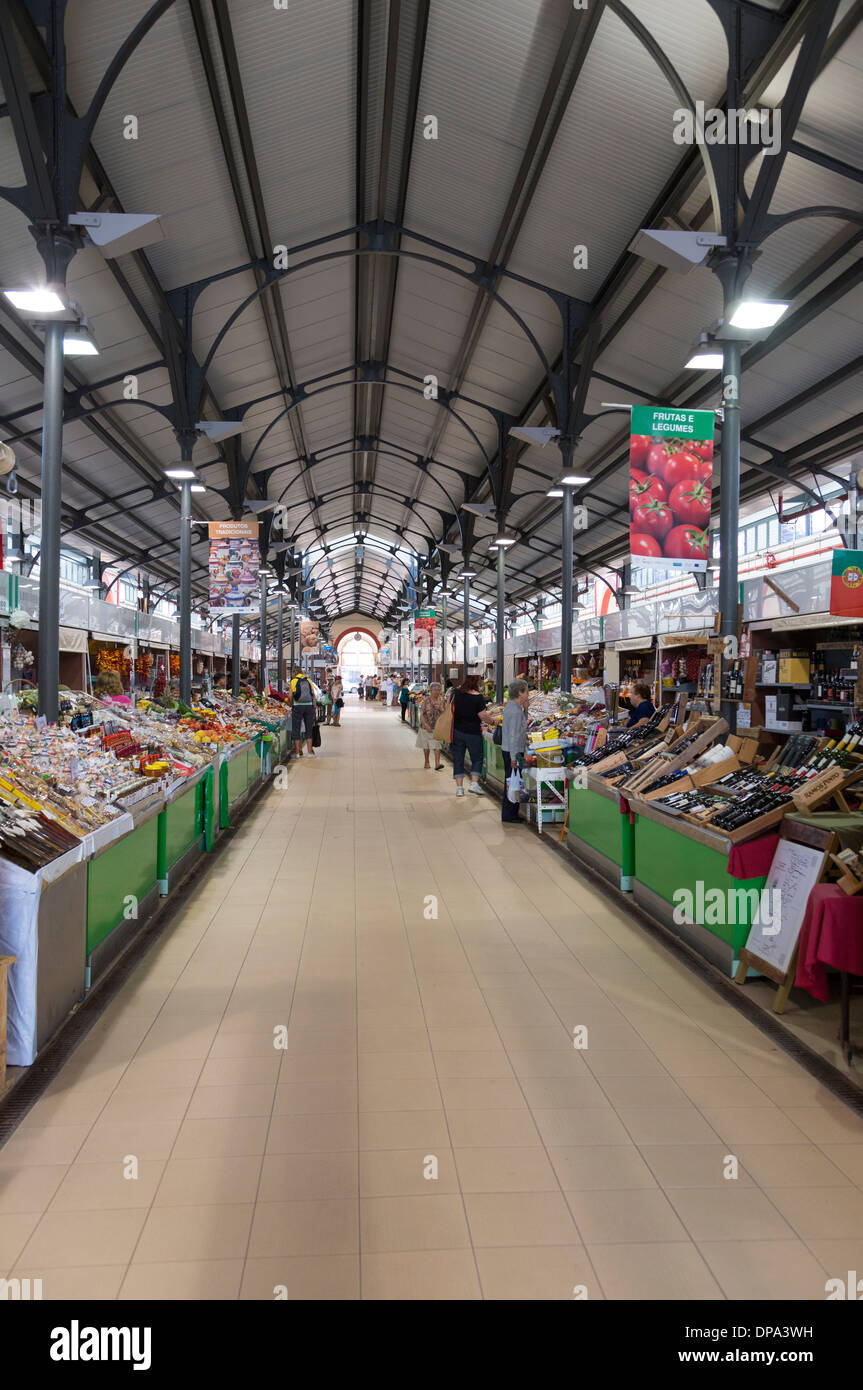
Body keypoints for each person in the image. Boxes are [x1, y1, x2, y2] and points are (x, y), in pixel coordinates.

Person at [451, 674, 496, 797]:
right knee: (477, 758)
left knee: (458, 759)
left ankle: (459, 788)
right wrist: (493, 722)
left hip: (457, 731)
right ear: (475, 683)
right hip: (473, 733)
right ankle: (474, 784)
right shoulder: (478, 697)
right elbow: (482, 715)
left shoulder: (456, 693)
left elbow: (448, 708)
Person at [501, 678, 530, 823]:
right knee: (513, 781)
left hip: (511, 749)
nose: (528, 694)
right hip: (513, 751)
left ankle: (510, 813)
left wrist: (526, 711)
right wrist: (514, 758)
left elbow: (520, 728)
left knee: (513, 780)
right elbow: (513, 735)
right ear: (520, 692)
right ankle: (510, 814)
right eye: (526, 691)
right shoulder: (515, 711)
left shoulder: (513, 707)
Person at [417, 681, 445, 770]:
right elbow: (421, 714)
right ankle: (427, 762)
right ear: (431, 691)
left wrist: (440, 709)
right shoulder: (426, 700)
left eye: (438, 690)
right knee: (426, 746)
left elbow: (445, 713)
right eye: (434, 690)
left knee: (437, 745)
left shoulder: (441, 701)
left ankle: (437, 764)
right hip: (425, 726)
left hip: (437, 727)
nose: (436, 691)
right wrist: (425, 724)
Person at [290, 668, 317, 757]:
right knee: (309, 729)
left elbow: (290, 695)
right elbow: (313, 694)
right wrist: (314, 706)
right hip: (309, 706)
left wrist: (291, 704)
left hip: (297, 706)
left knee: (296, 729)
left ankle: (298, 752)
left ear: (294, 673)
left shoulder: (293, 681)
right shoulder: (308, 680)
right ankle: (309, 752)